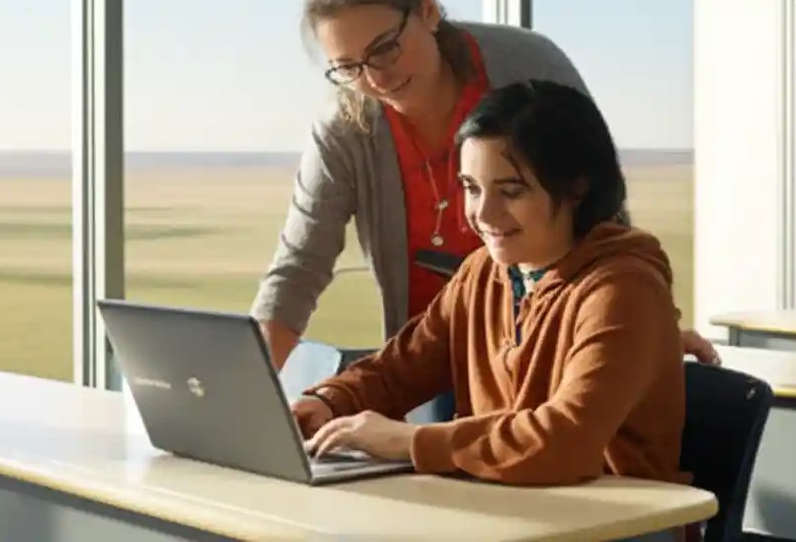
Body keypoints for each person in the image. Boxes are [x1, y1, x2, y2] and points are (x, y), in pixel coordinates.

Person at [250, 0, 717, 371]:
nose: (376, 79)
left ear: (427, 8)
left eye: (385, 49)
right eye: (348, 67)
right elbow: (298, 268)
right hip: (428, 363)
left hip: (551, 356)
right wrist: (247, 389)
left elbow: (602, 211)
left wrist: (642, 325)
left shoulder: (528, 66)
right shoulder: (345, 127)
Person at [294, 79, 687, 490]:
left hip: (616, 526)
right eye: (471, 188)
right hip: (505, 510)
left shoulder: (624, 290)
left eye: (511, 191)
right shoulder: (482, 272)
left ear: (577, 187)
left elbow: (565, 442)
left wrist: (409, 441)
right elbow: (399, 371)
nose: (483, 214)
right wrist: (327, 402)